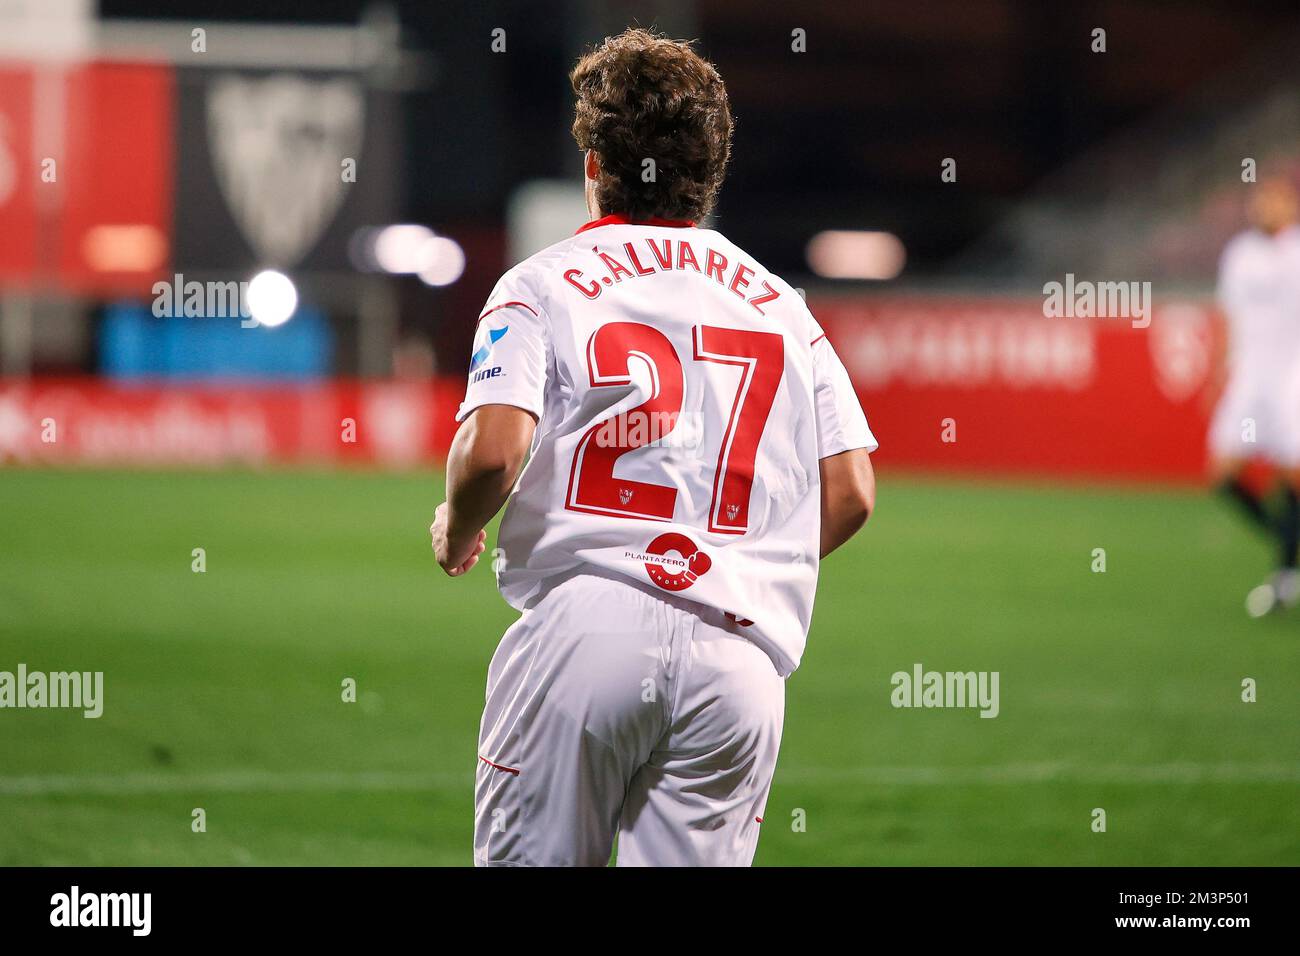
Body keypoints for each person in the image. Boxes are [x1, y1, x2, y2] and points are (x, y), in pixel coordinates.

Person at [430, 28, 877, 865]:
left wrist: (457, 529)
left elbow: (494, 452)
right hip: (737, 657)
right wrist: (738, 556)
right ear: (711, 173)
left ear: (594, 165)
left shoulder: (542, 282)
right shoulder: (782, 304)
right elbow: (852, 490)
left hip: (586, 630)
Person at [1208, 175, 1300, 615]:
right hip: (1249, 377)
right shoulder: (1240, 253)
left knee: (1292, 475)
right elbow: (1230, 315)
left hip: (1292, 378)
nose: (1265, 207)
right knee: (1224, 474)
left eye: (1276, 200)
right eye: (1261, 200)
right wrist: (1218, 371)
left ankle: (1283, 576)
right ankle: (1290, 544)